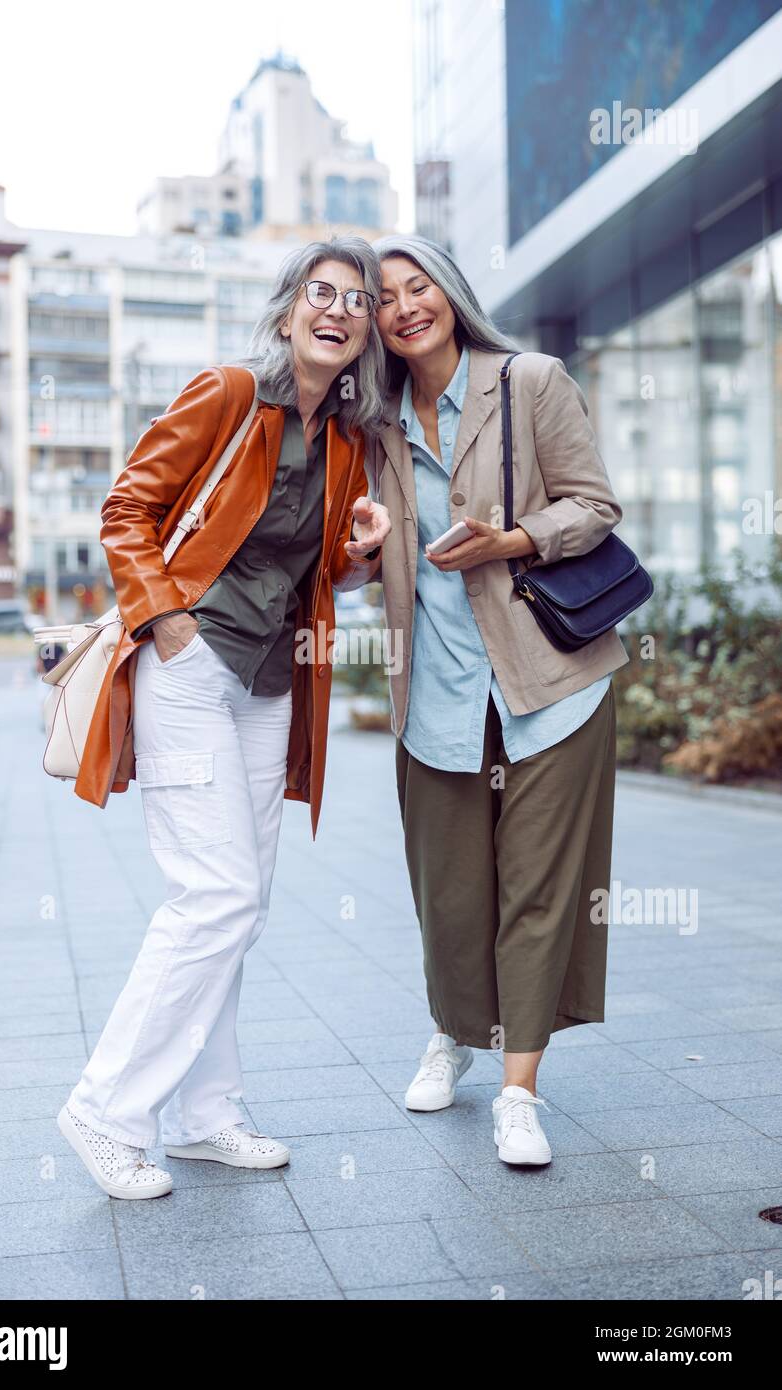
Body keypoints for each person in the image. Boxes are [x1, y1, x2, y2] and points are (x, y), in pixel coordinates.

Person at [57, 238, 391, 1199]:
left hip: (272, 686)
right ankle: (105, 1109)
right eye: (320, 293)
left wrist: (362, 554)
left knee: (237, 910)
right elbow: (127, 508)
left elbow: (314, 571)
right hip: (193, 671)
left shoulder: (348, 437)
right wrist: (164, 622)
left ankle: (206, 1116)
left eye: (357, 301)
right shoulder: (230, 391)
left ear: (367, 331)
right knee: (214, 897)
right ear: (289, 310)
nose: (338, 310)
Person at [368, 233, 629, 1166]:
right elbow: (368, 560)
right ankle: (453, 1032)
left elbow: (595, 505)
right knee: (449, 890)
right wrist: (363, 550)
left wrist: (510, 540)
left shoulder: (530, 380)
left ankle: (518, 1088)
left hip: (550, 682)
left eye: (418, 284)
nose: (405, 306)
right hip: (435, 686)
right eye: (385, 296)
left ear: (450, 290)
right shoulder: (373, 422)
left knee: (539, 888)